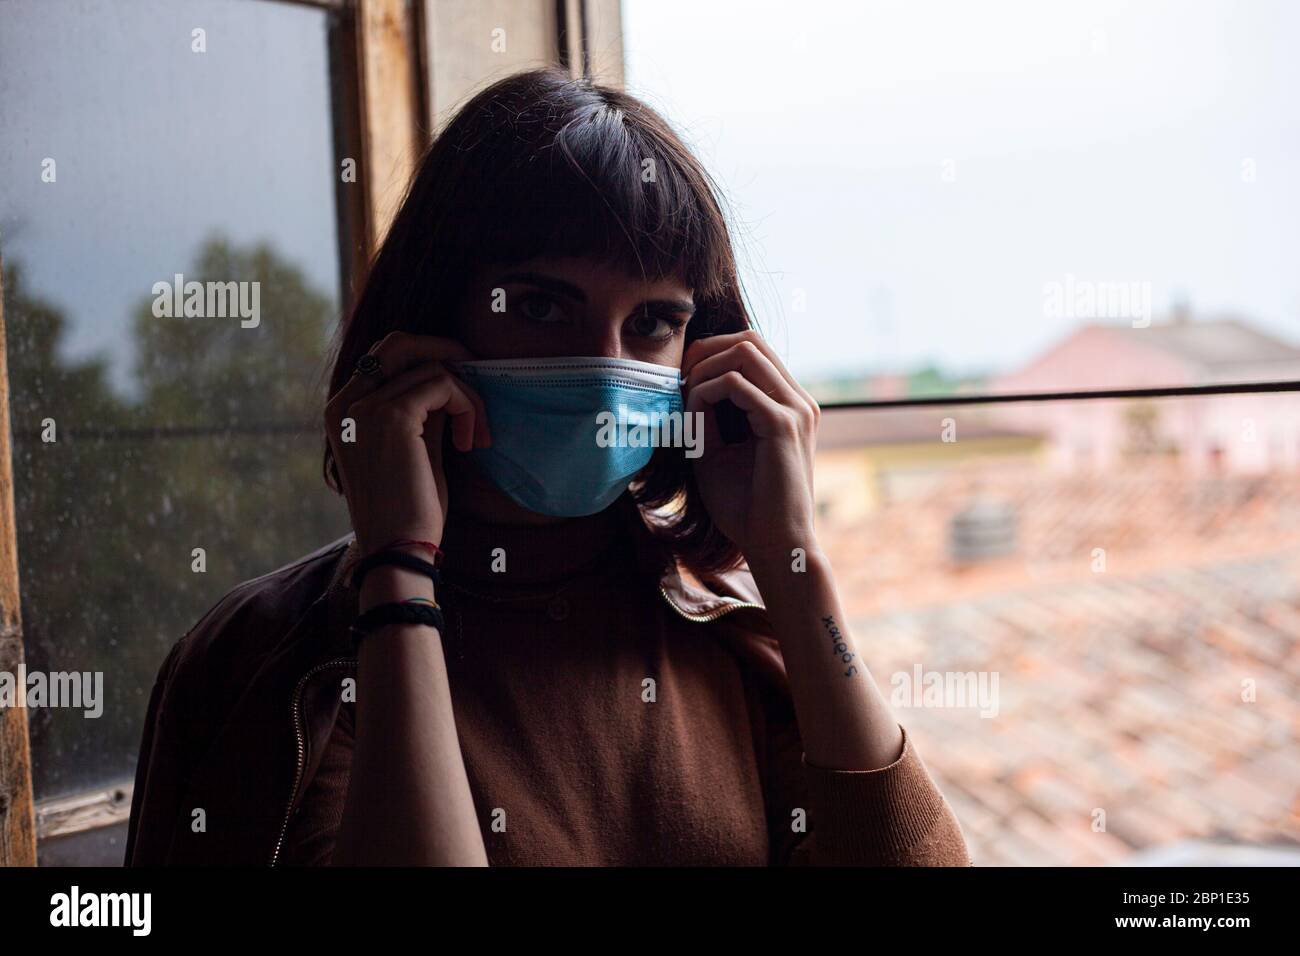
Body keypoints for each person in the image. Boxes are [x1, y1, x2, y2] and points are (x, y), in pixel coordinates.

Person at [124, 67, 971, 866]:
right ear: (430, 325)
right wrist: (398, 574)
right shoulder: (273, 666)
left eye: (650, 324)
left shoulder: (726, 647)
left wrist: (794, 565)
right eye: (538, 307)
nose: (603, 371)